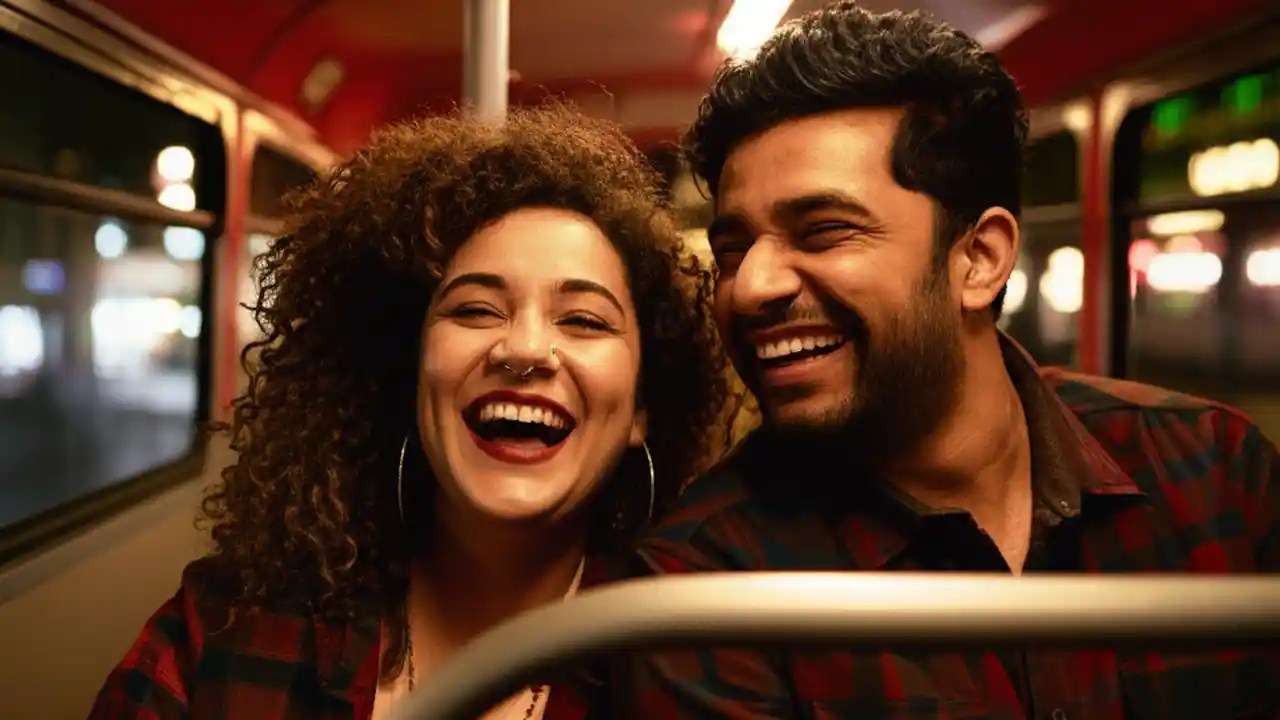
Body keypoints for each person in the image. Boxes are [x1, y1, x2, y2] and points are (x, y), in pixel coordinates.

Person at [621, 3, 1280, 718]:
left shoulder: (1214, 469)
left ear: (980, 260)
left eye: (823, 232)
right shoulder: (702, 583)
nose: (751, 286)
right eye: (732, 249)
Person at [89, 104, 727, 720]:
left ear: (643, 406)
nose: (526, 350)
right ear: (409, 370)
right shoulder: (223, 627)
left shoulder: (693, 665)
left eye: (584, 320)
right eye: (475, 309)